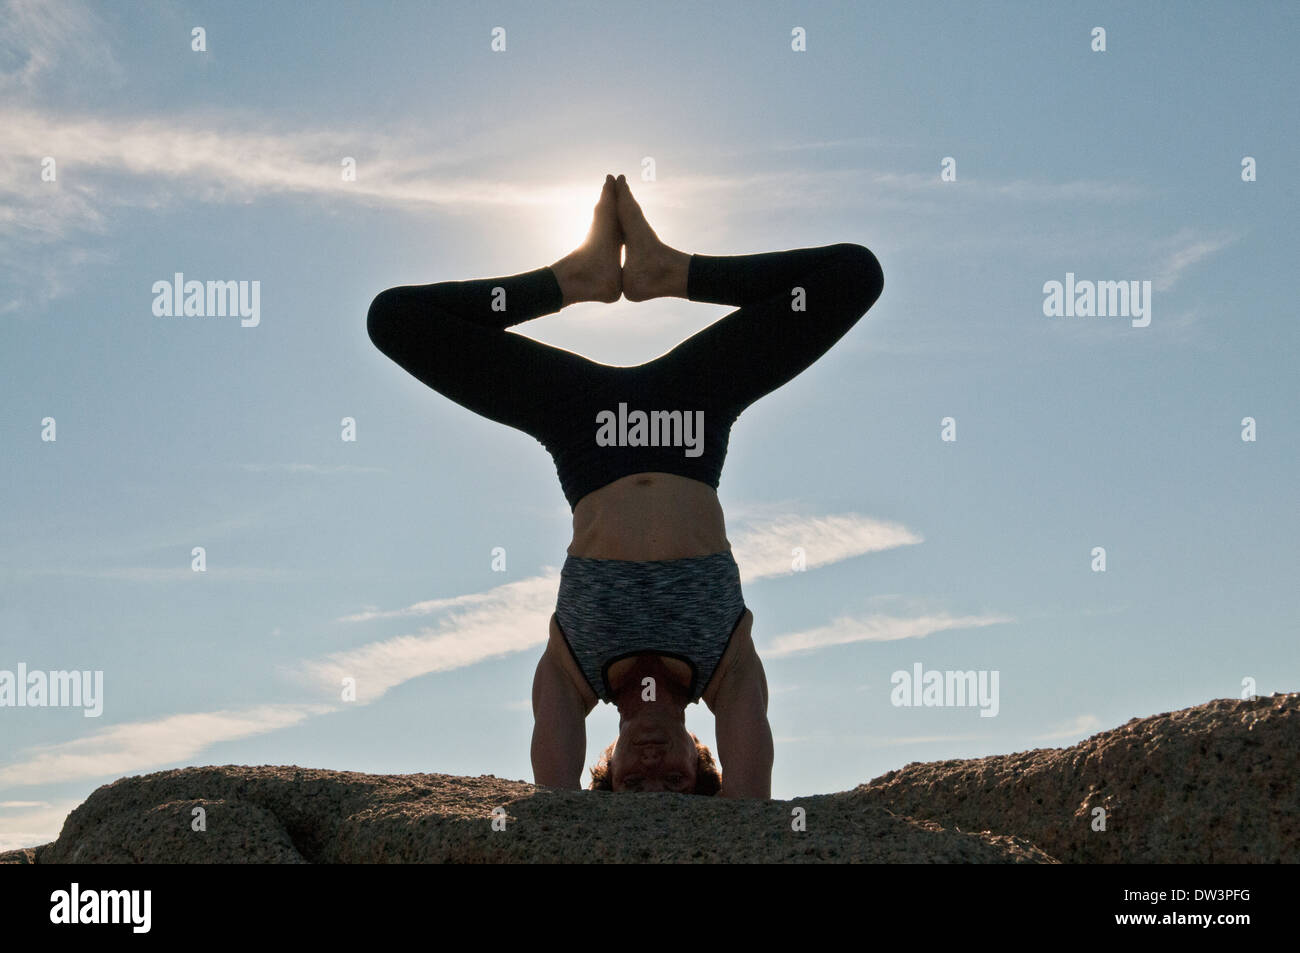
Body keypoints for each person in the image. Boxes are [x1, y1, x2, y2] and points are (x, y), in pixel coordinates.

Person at [367, 174, 884, 797]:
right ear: (702, 765)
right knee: (854, 277)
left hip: (584, 430)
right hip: (689, 416)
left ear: (606, 768)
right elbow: (752, 808)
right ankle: (668, 271)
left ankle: (571, 280)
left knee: (394, 319)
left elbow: (554, 808)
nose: (652, 769)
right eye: (674, 782)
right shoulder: (726, 671)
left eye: (634, 785)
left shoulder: (573, 674)